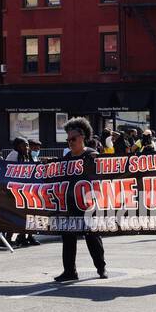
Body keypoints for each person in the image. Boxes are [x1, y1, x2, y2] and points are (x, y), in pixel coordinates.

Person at [56, 117, 107, 283]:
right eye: (68, 139)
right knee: (68, 238)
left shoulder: (92, 155)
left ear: (82, 137)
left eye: (73, 139)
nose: (70, 142)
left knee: (92, 237)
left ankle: (101, 267)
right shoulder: (66, 158)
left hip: (89, 205)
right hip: (69, 205)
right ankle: (69, 271)